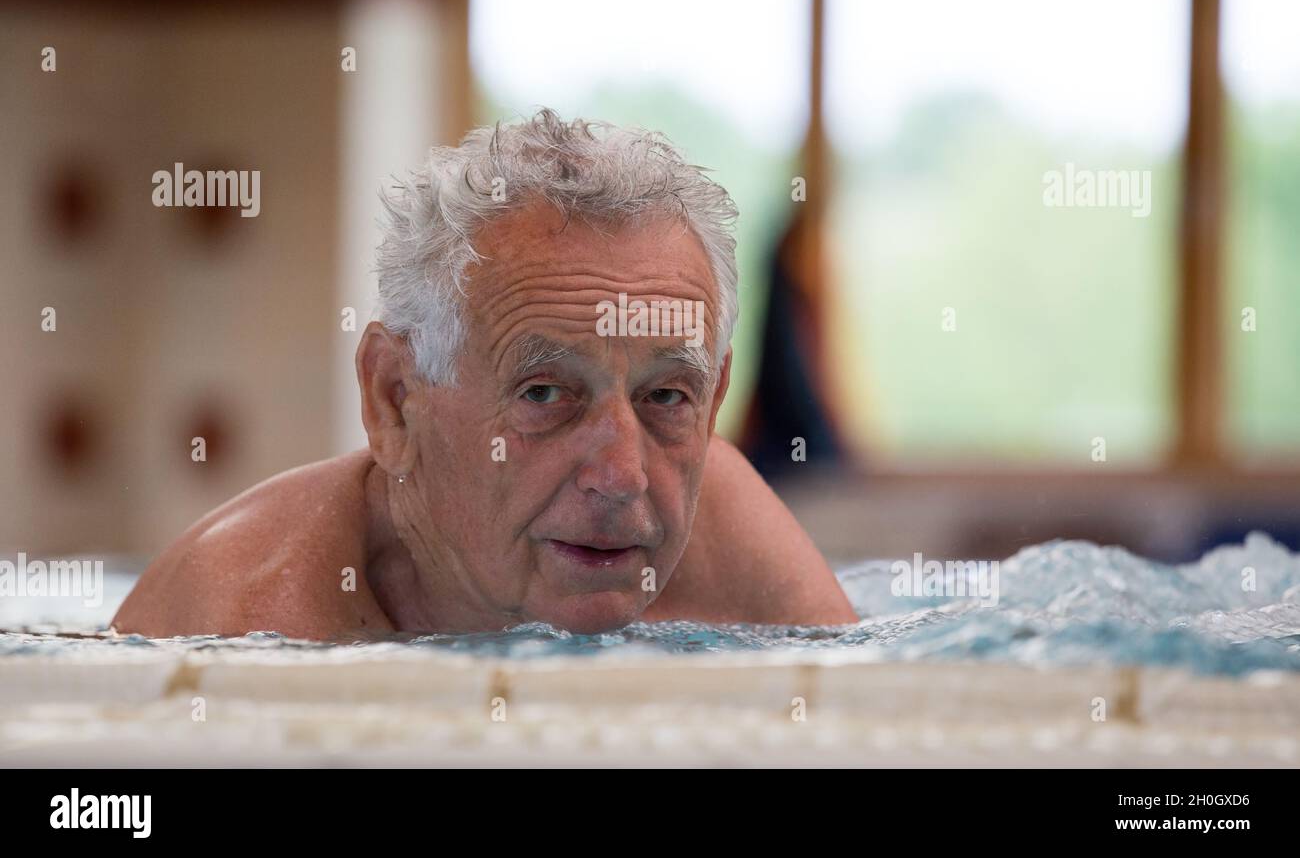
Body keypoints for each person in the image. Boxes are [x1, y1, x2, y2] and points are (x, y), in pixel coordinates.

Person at [112, 109, 857, 640]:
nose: (623, 475)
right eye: (544, 394)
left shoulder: (734, 556)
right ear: (394, 403)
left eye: (666, 396)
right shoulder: (241, 630)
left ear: (715, 398)